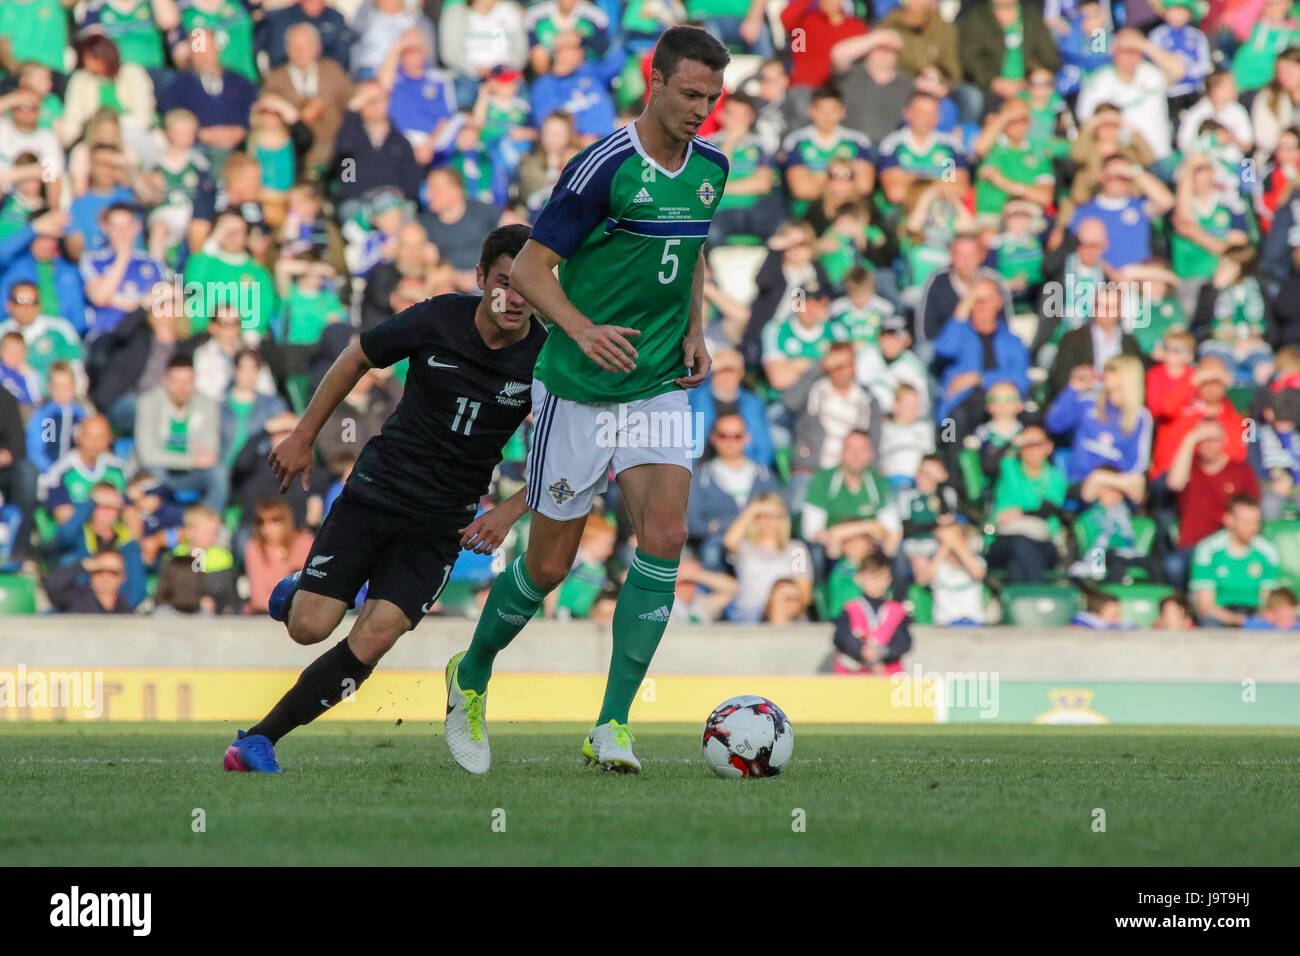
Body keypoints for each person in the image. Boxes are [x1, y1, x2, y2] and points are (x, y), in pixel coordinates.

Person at [446, 27, 731, 775]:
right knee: (548, 566)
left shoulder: (712, 168)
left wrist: (696, 329)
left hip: (658, 382)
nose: (702, 109)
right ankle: (471, 671)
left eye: (713, 96)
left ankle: (611, 723)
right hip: (578, 386)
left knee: (665, 534)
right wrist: (582, 329)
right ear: (655, 80)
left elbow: (690, 251)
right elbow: (533, 270)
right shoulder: (602, 166)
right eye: (691, 93)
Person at [223, 225, 544, 773]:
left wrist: (510, 511)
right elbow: (355, 358)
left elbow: (567, 451)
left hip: (442, 523)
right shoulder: (438, 317)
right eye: (503, 282)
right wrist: (303, 436)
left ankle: (258, 740)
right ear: (481, 279)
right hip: (377, 493)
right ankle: (298, 594)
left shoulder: (546, 357)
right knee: (309, 628)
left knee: (374, 637)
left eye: (527, 287)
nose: (514, 298)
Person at [1189, 494, 1279, 626]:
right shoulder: (1208, 550)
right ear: (1229, 520)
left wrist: (1254, 622)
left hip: (1254, 614)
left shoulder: (1267, 551)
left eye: (1256, 522)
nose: (1253, 527)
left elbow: (1267, 602)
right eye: (1247, 522)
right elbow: (1205, 607)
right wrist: (1239, 621)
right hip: (1219, 615)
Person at [830, 553, 912, 674]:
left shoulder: (898, 610)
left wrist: (882, 652)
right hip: (854, 676)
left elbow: (903, 642)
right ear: (859, 578)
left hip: (887, 674)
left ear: (889, 580)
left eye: (882, 577)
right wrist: (863, 651)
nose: (877, 583)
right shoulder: (850, 609)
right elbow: (841, 637)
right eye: (873, 577)